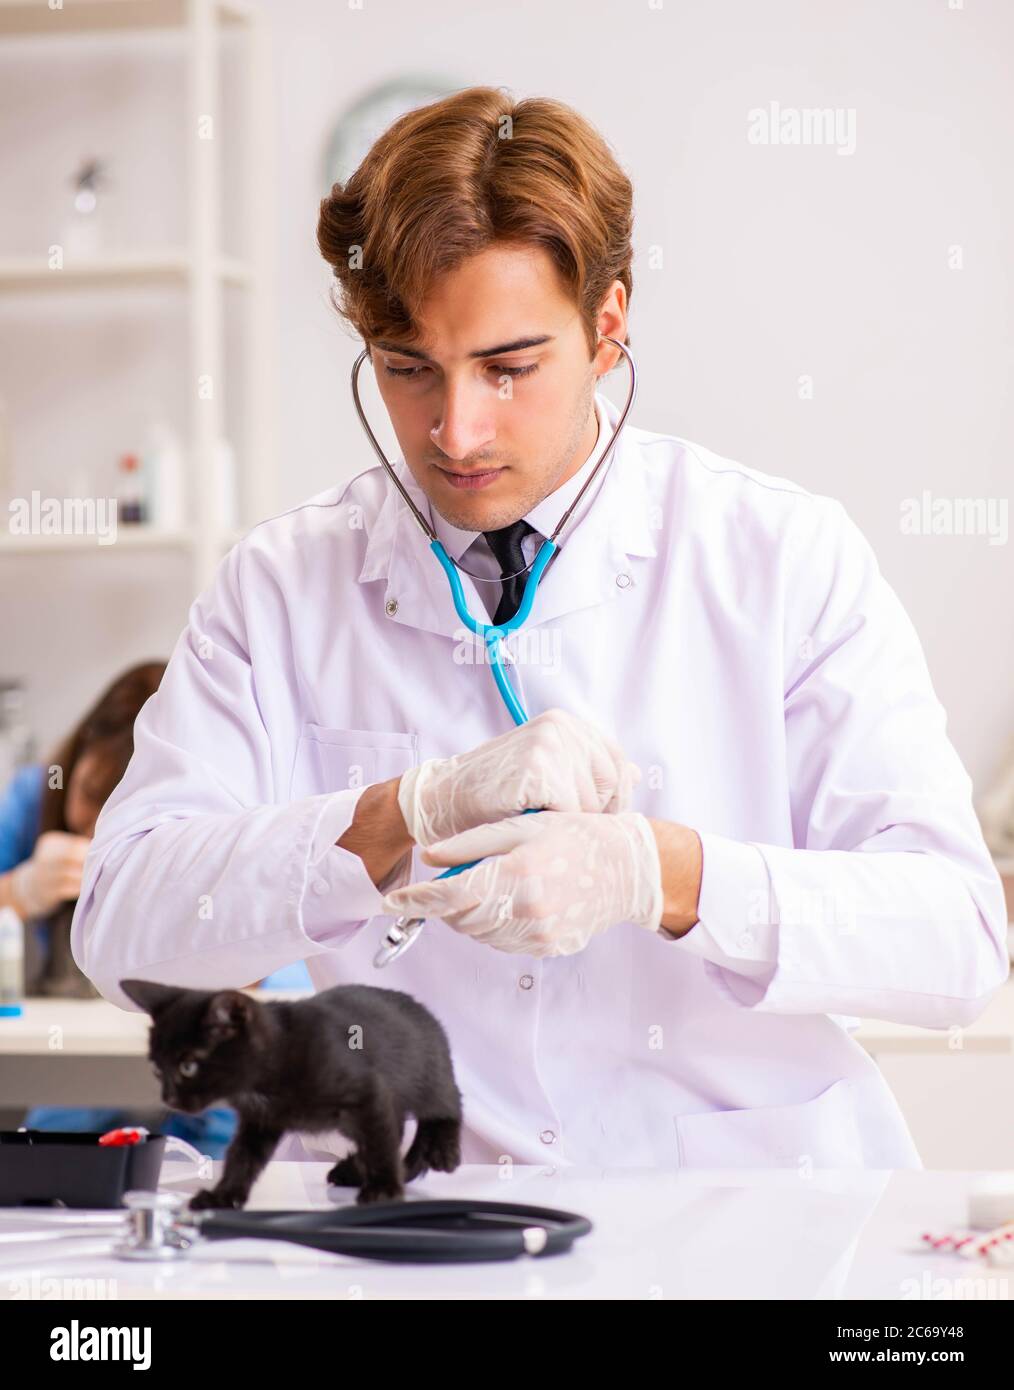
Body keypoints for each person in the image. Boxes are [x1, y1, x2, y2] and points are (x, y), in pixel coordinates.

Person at [71, 88, 1008, 1170]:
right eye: (407, 365)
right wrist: (396, 813)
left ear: (608, 327)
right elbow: (123, 929)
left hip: (747, 1210)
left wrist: (664, 876)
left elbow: (956, 936)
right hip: (425, 1214)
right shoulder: (281, 584)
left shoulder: (783, 556)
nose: (455, 431)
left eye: (508, 367)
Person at [0, 662, 245, 1157]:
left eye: (128, 816)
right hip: (71, 1061)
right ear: (83, 748)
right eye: (93, 799)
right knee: (56, 1155)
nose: (103, 837)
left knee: (208, 1155)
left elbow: (288, 974)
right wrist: (18, 892)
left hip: (200, 1067)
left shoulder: (222, 822)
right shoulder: (33, 797)